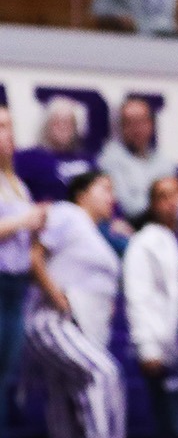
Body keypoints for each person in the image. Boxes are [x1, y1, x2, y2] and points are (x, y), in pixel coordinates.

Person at [25, 171, 124, 438]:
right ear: (82, 194)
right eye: (104, 188)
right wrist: (58, 299)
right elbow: (35, 256)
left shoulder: (98, 235)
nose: (110, 197)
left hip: (86, 327)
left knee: (64, 399)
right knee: (103, 374)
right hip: (56, 320)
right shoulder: (68, 214)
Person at [125, 176, 178, 438]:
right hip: (165, 349)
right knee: (176, 428)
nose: (171, 203)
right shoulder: (144, 243)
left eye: (176, 194)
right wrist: (147, 347)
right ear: (153, 205)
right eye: (163, 197)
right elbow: (138, 295)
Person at [0, 106, 46, 438]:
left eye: (10, 126)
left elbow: (29, 239)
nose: (8, 134)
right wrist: (23, 221)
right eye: (0, 126)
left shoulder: (15, 181)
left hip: (18, 287)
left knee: (7, 375)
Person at [97, 95, 176, 222]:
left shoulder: (163, 161)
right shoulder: (110, 159)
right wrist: (161, 203)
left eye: (141, 121)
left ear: (151, 124)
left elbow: (175, 201)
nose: (136, 128)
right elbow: (129, 208)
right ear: (120, 127)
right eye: (129, 122)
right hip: (130, 227)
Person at [15, 96, 98, 203]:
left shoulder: (89, 160)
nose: (63, 127)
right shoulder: (28, 159)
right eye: (57, 122)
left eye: (68, 122)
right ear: (46, 125)